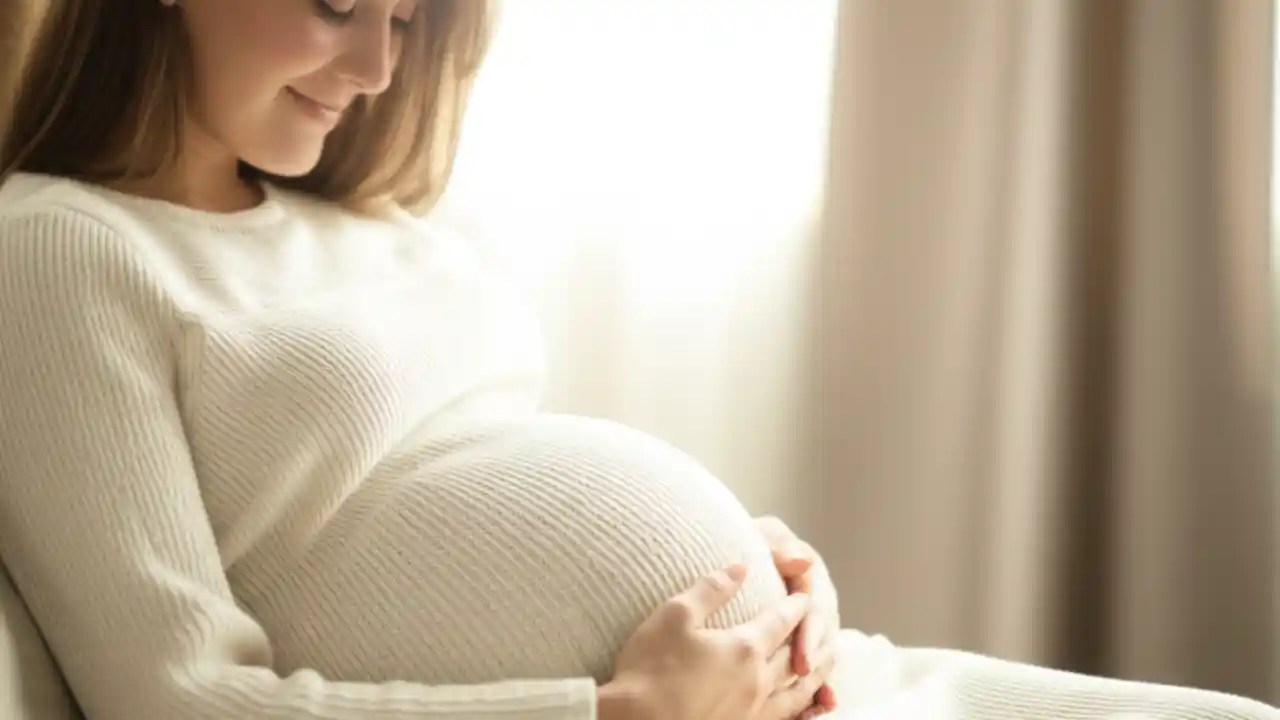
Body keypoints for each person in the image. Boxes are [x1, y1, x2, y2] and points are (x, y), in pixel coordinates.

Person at [0, 1, 844, 718]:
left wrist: (751, 568)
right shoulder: (59, 246)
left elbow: (482, 469)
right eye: (336, 4)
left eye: (401, 19)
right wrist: (611, 712)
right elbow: (174, 697)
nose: (376, 68)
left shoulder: (364, 220)